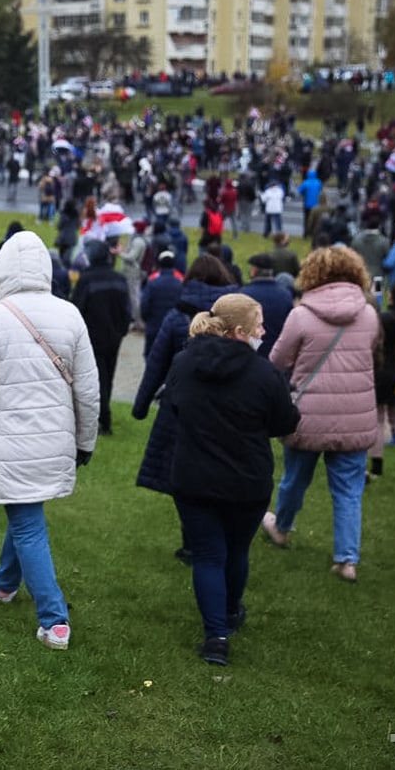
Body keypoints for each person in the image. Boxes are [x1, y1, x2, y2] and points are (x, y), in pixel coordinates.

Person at [0, 230, 99, 651]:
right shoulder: (70, 315)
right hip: (52, 438)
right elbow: (89, 392)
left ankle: (55, 621)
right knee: (26, 512)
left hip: (7, 440)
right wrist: (85, 440)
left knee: (26, 519)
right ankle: (5, 585)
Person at [164, 294, 299, 665]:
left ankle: (217, 634)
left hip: (195, 476)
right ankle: (226, 618)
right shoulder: (265, 374)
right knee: (232, 551)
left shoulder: (184, 361)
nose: (264, 331)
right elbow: (285, 423)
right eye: (259, 325)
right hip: (246, 479)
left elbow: (174, 405)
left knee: (209, 554)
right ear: (240, 331)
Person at [261, 247, 379, 582]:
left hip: (308, 411)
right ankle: (347, 559)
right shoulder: (369, 315)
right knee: (348, 490)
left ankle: (281, 527)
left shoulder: (301, 315)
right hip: (355, 413)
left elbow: (278, 361)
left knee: (295, 478)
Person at [133, 255, 238, 563]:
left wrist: (141, 405)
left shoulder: (178, 315)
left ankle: (193, 540)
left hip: (182, 403)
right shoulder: (234, 315)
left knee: (182, 473)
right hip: (225, 405)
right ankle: (214, 535)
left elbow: (156, 362)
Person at [72, 239, 131, 435]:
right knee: (108, 376)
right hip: (114, 336)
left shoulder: (86, 280)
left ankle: (102, 418)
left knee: (96, 379)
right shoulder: (119, 279)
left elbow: (76, 310)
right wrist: (121, 331)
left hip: (92, 337)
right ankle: (102, 417)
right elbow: (127, 310)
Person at [371, 280, 395, 478]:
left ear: (391, 296)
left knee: (378, 419)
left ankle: (377, 463)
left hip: (382, 370)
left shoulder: (384, 318)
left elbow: (375, 342)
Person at [240, 253, 294, 358]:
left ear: (254, 270)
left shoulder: (244, 294)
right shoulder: (285, 294)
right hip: (276, 351)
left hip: (251, 353)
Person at [140, 250, 183, 360]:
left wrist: (146, 319)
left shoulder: (152, 280)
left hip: (154, 325)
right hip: (175, 326)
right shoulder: (180, 281)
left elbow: (144, 304)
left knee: (151, 356)